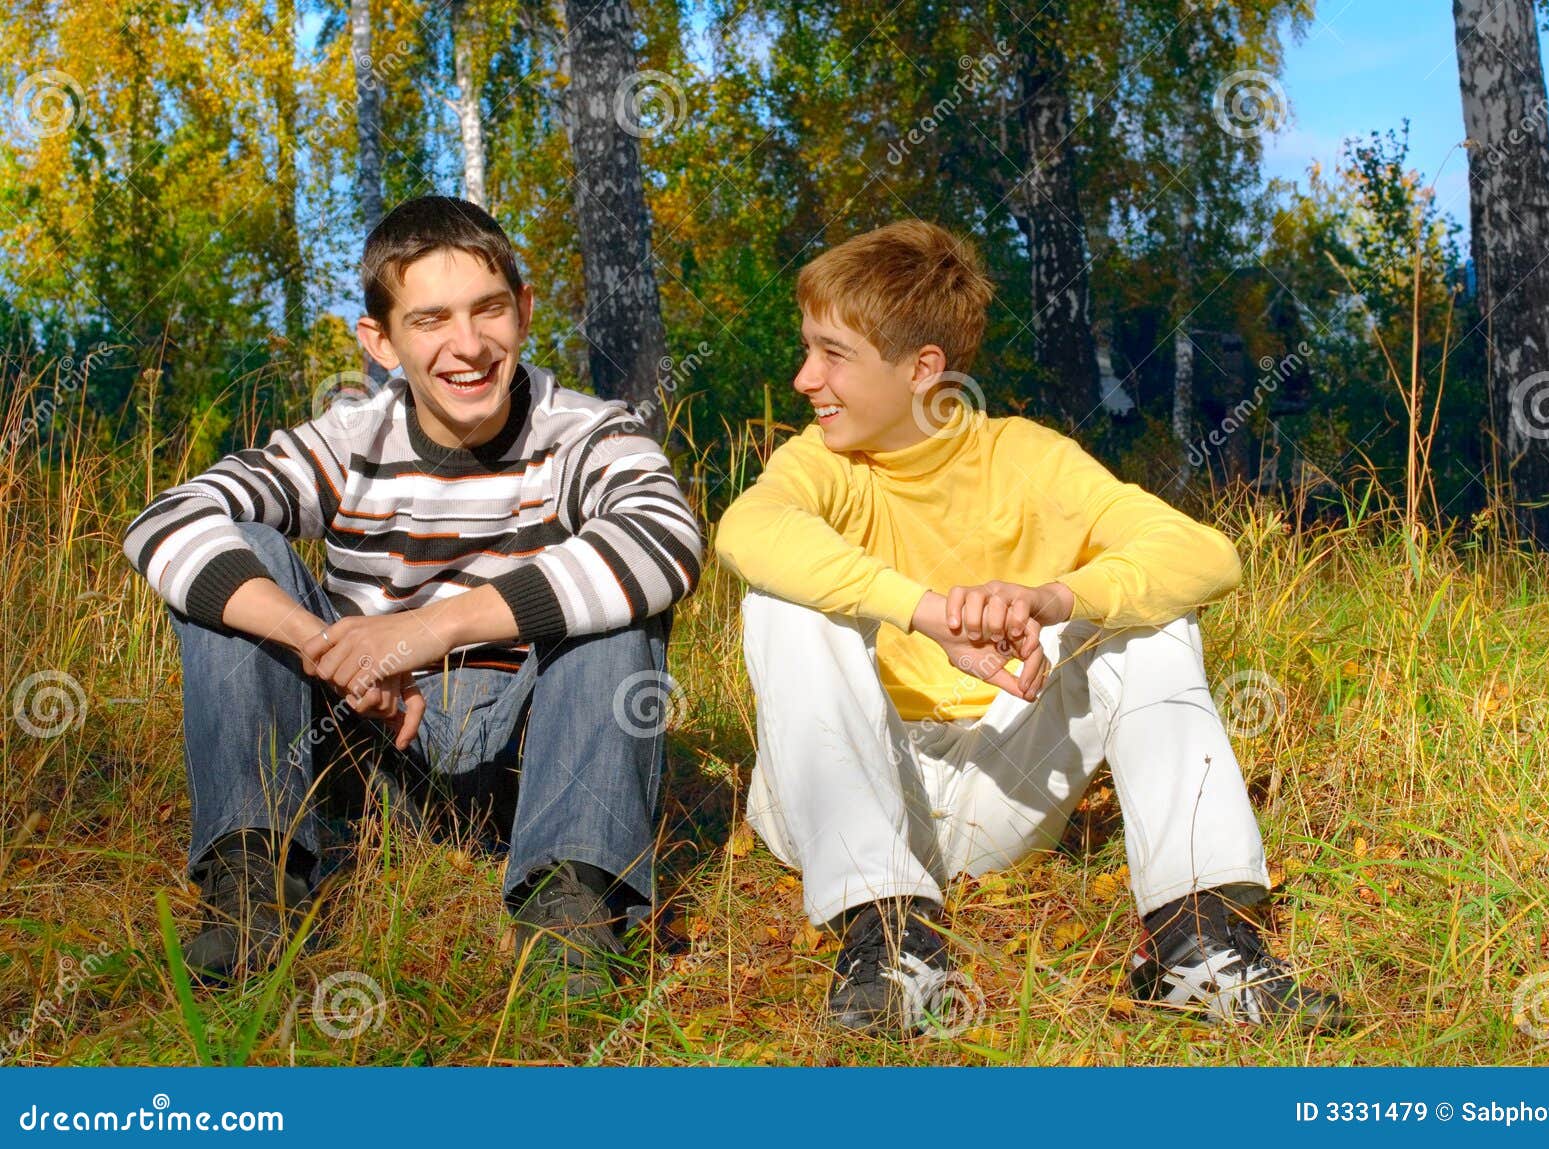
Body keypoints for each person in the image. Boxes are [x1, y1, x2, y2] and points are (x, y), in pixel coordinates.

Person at [714, 220, 1346, 1036]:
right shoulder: (819, 463)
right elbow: (745, 532)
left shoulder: (1027, 457)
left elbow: (1203, 552)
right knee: (783, 597)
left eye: (833, 354)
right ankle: (888, 939)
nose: (805, 378)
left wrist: (1056, 597)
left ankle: (1197, 939)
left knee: (1145, 615)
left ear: (922, 369)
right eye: (807, 349)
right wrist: (928, 612)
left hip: (993, 787)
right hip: (840, 787)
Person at [123, 195, 701, 995]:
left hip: (529, 758)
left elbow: (664, 539)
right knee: (242, 551)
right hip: (365, 753)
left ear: (525, 312)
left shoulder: (590, 433)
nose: (468, 345)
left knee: (618, 591)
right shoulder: (348, 439)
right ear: (382, 341)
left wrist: (421, 632)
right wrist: (318, 642)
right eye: (430, 320)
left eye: (489, 309)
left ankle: (570, 899)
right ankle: (255, 879)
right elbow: (166, 519)